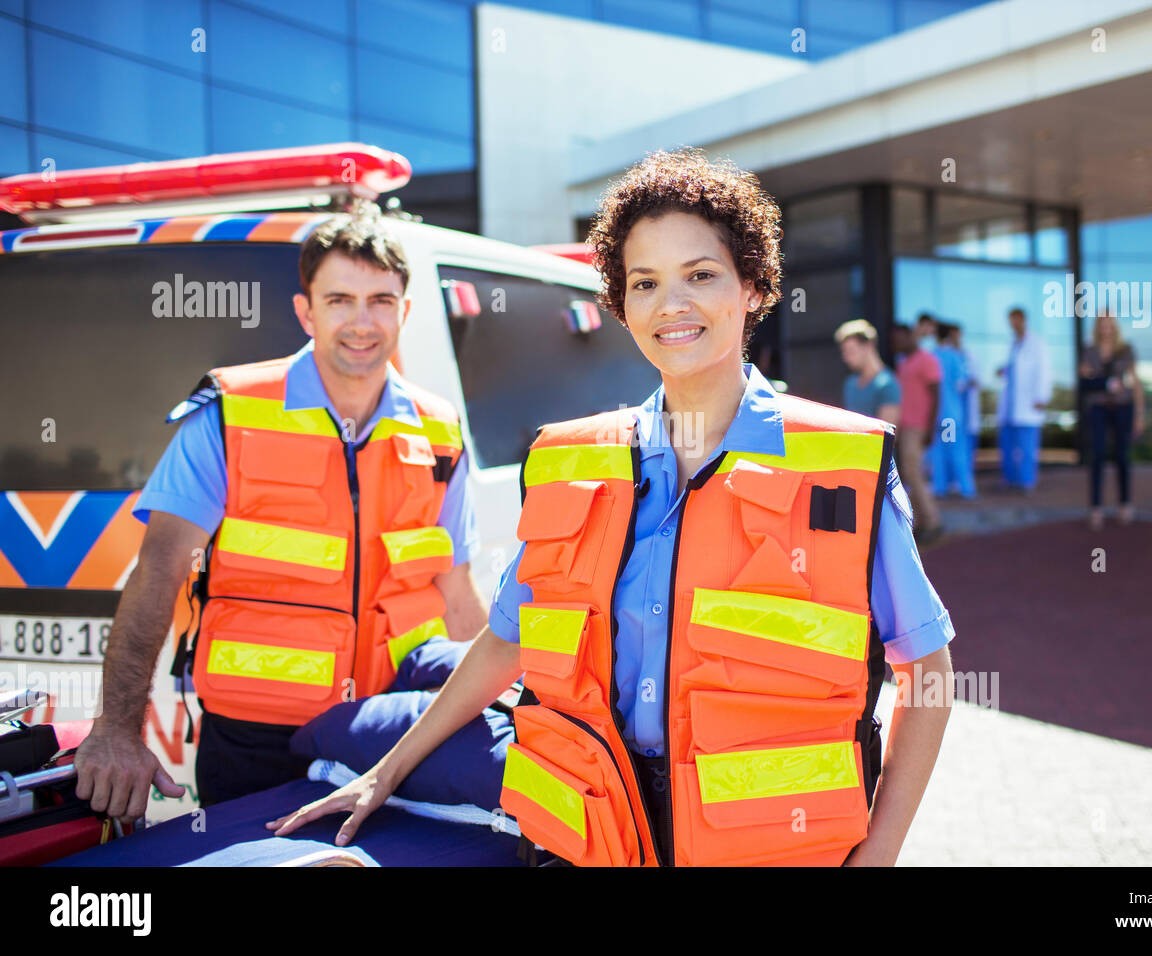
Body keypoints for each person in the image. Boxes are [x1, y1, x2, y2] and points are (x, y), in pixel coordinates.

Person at [270, 147, 956, 867]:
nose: (672, 305)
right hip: (590, 841)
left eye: (701, 275)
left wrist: (879, 854)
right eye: (645, 283)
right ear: (622, 305)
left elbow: (928, 670)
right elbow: (509, 641)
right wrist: (388, 769)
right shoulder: (575, 463)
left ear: (753, 287)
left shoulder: (842, 468)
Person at [74, 211, 488, 816]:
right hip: (254, 736)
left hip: (386, 730)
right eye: (339, 299)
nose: (361, 321)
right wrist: (117, 729)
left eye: (380, 300)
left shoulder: (440, 428)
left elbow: (457, 591)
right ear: (306, 312)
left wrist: (493, 704)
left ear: (404, 312)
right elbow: (160, 569)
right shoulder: (230, 412)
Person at [1079, 311, 1145, 530]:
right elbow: (1085, 382)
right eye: (1102, 324)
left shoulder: (1126, 351)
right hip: (1099, 409)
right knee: (1097, 455)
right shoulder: (1089, 351)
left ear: (1115, 326)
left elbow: (1135, 384)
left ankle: (1125, 503)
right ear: (1097, 327)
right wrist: (1105, 383)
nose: (1106, 328)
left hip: (1122, 409)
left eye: (1110, 324)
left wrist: (1139, 415)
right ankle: (1096, 507)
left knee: (1122, 456)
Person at [892, 322, 944, 540]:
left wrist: (930, 428)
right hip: (904, 427)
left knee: (914, 474)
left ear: (909, 337)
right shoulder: (904, 364)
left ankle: (933, 522)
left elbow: (936, 395)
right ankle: (920, 523)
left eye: (897, 339)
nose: (894, 344)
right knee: (910, 475)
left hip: (918, 427)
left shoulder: (927, 360)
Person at [995, 306, 1051, 493]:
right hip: (1011, 405)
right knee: (1008, 446)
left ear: (1023, 320)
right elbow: (1016, 369)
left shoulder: (1036, 343)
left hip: (1029, 404)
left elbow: (1043, 371)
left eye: (1015, 319)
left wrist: (1042, 396)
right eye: (1010, 320)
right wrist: (1004, 370)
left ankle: (1027, 483)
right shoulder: (1014, 344)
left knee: (1027, 448)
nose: (1013, 324)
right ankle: (1011, 479)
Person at [931, 322, 975, 499]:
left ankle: (940, 488)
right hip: (951, 415)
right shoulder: (954, 357)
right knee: (957, 452)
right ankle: (966, 489)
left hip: (935, 415)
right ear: (949, 337)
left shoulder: (931, 356)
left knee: (938, 454)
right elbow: (960, 384)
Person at [835, 318, 901, 426]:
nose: (846, 358)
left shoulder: (888, 384)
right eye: (844, 352)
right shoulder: (850, 384)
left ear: (868, 346)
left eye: (851, 351)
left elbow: (887, 437)